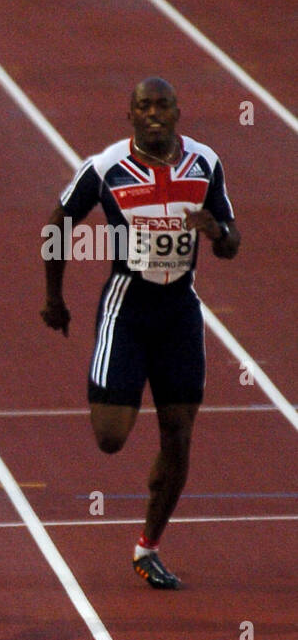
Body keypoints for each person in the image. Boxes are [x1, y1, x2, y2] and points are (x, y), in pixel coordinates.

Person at [40, 77, 240, 590]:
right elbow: (59, 222)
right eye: (143, 106)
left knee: (179, 432)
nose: (154, 114)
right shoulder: (106, 167)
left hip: (179, 312)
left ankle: (148, 546)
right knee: (110, 438)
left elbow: (231, 240)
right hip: (126, 308)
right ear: (129, 115)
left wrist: (217, 233)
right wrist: (54, 297)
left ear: (178, 112)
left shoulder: (205, 163)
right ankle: (120, 389)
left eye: (163, 106)